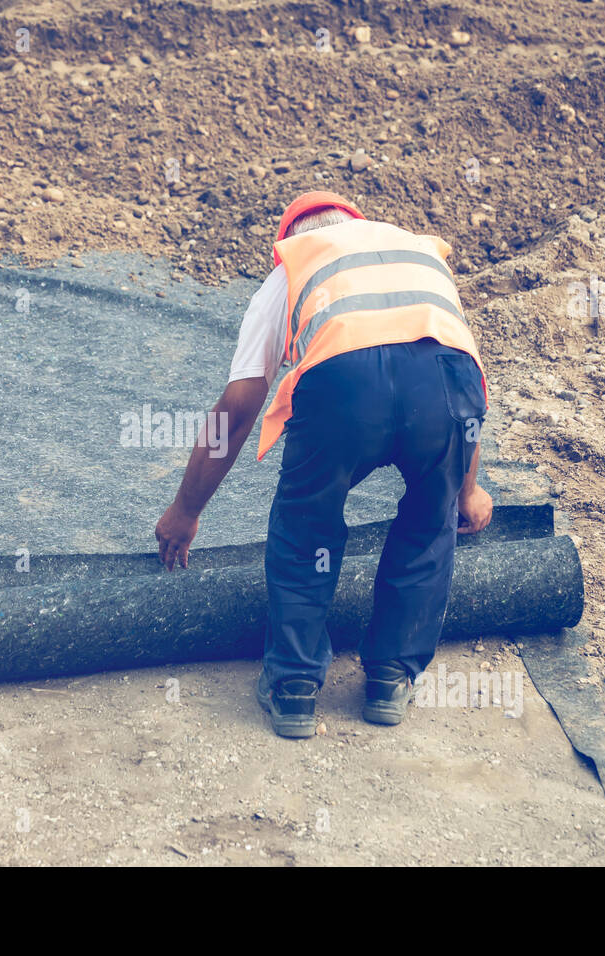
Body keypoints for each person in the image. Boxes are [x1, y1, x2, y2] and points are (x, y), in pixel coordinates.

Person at [154, 191, 492, 738]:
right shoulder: (413, 252)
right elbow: (465, 373)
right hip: (444, 389)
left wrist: (185, 509)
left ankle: (293, 687)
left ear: (289, 239)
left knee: (306, 523)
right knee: (432, 520)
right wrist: (467, 490)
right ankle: (389, 678)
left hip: (345, 390)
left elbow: (238, 406)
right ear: (358, 223)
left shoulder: (294, 266)